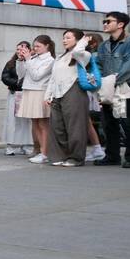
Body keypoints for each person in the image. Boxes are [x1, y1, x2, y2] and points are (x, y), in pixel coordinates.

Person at [96, 11, 130, 168]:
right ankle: (112, 156)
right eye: (104, 21)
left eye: (108, 21)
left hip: (124, 87)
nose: (105, 23)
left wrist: (112, 81)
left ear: (121, 24)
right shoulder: (104, 45)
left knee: (126, 121)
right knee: (108, 123)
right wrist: (101, 82)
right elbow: (98, 64)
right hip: (107, 88)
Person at [45, 29, 95, 167]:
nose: (64, 40)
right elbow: (53, 78)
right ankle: (60, 155)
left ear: (78, 40)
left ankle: (76, 158)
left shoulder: (83, 54)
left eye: (68, 37)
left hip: (74, 91)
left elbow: (77, 52)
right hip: (57, 93)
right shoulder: (60, 57)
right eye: (63, 38)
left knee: (75, 126)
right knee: (57, 127)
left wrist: (83, 42)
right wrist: (48, 95)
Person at [20, 35, 56, 163]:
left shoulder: (50, 60)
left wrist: (28, 59)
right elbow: (22, 74)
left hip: (40, 92)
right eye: (34, 46)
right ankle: (41, 150)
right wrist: (23, 60)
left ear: (47, 46)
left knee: (43, 123)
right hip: (29, 90)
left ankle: (45, 153)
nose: (35, 48)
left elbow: (36, 76)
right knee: (34, 123)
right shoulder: (34, 58)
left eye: (38, 46)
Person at [0, 41, 34, 155]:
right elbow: (5, 77)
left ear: (29, 50)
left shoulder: (32, 61)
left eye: (23, 49)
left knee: (26, 121)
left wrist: (22, 83)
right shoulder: (11, 63)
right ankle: (11, 146)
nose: (20, 52)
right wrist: (17, 83)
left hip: (27, 95)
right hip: (14, 94)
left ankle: (27, 145)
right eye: (18, 49)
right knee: (12, 121)